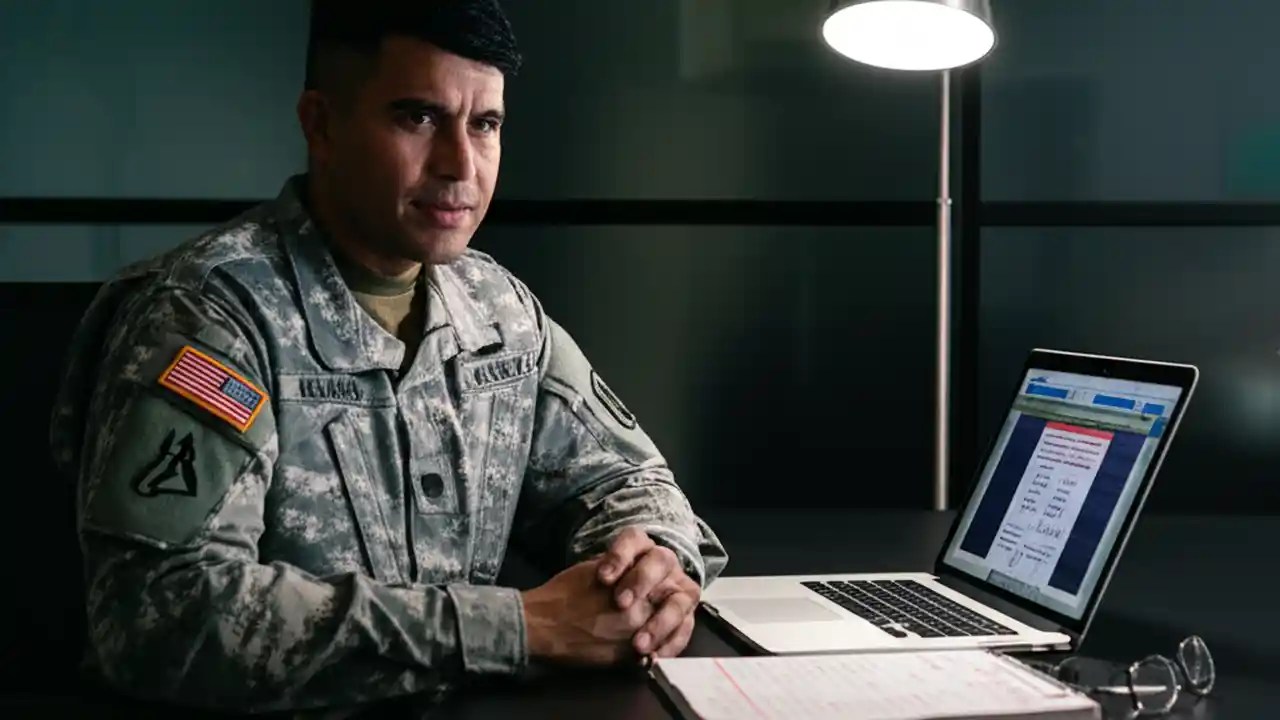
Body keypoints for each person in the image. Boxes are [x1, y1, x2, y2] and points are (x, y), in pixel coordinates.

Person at [48, 1, 727, 714]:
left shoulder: (498, 311)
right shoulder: (211, 317)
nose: (460, 165)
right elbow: (161, 617)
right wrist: (518, 629)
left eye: (485, 125)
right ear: (322, 124)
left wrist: (650, 570)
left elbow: (631, 479)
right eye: (419, 117)